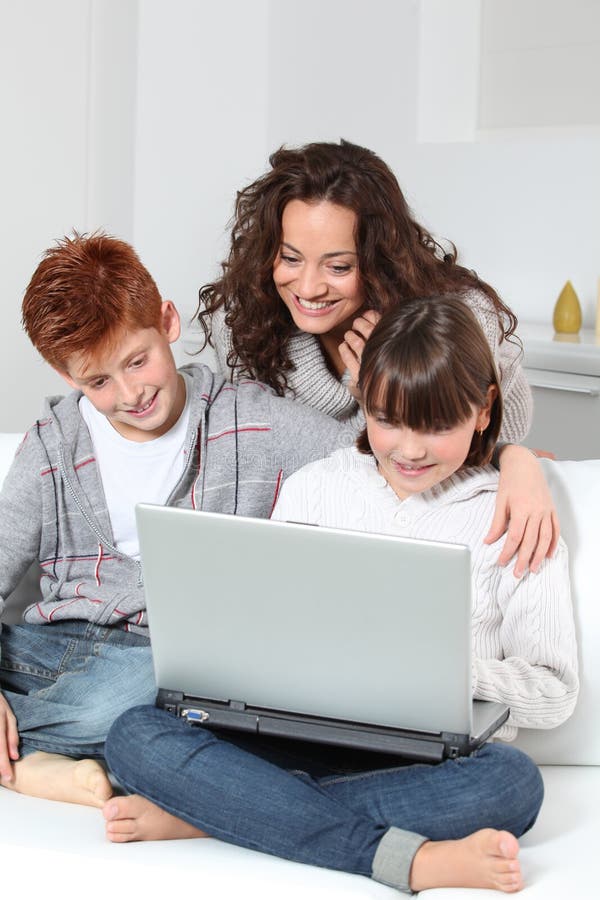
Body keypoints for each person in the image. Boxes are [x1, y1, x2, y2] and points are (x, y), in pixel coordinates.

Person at [102, 296, 578, 894]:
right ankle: (394, 855)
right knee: (134, 735)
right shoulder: (315, 487)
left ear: (483, 410)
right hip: (292, 737)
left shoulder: (516, 517)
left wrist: (449, 674)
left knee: (512, 783)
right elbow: (267, 630)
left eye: (435, 426)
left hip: (424, 763)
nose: (409, 450)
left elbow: (554, 693)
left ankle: (223, 813)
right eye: (387, 420)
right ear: (363, 399)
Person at [0, 232, 348, 809]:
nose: (131, 393)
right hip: (51, 648)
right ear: (68, 376)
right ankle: (39, 756)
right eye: (98, 381)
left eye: (138, 361)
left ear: (167, 321)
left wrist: (503, 457)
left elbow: (379, 455)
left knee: (153, 698)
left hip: (160, 660)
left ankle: (30, 751)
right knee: (130, 706)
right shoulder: (52, 445)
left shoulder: (252, 424)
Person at [196, 139, 557, 577]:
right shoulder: (243, 323)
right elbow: (261, 456)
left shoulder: (458, 317)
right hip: (307, 538)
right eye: (290, 258)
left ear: (379, 260)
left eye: (339, 267)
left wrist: (514, 458)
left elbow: (458, 449)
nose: (308, 288)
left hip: (432, 532)